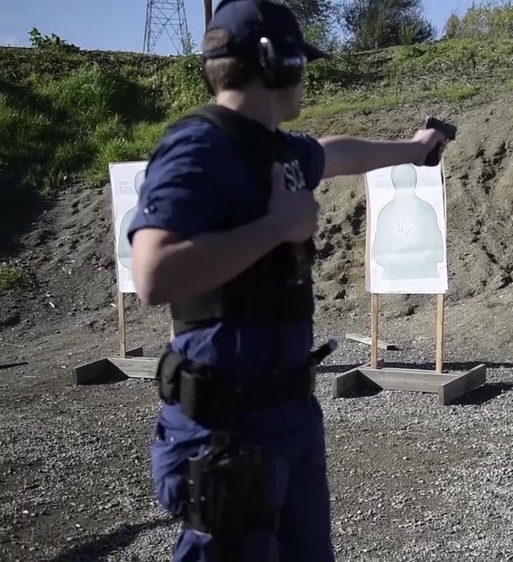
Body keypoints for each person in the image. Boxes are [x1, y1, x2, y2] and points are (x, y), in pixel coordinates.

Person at [126, 0, 449, 560]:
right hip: (225, 425)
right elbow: (154, 273)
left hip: (287, 412)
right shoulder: (199, 146)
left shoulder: (278, 149)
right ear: (277, 64)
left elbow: (334, 153)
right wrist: (278, 227)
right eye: (301, 62)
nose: (306, 78)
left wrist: (414, 148)